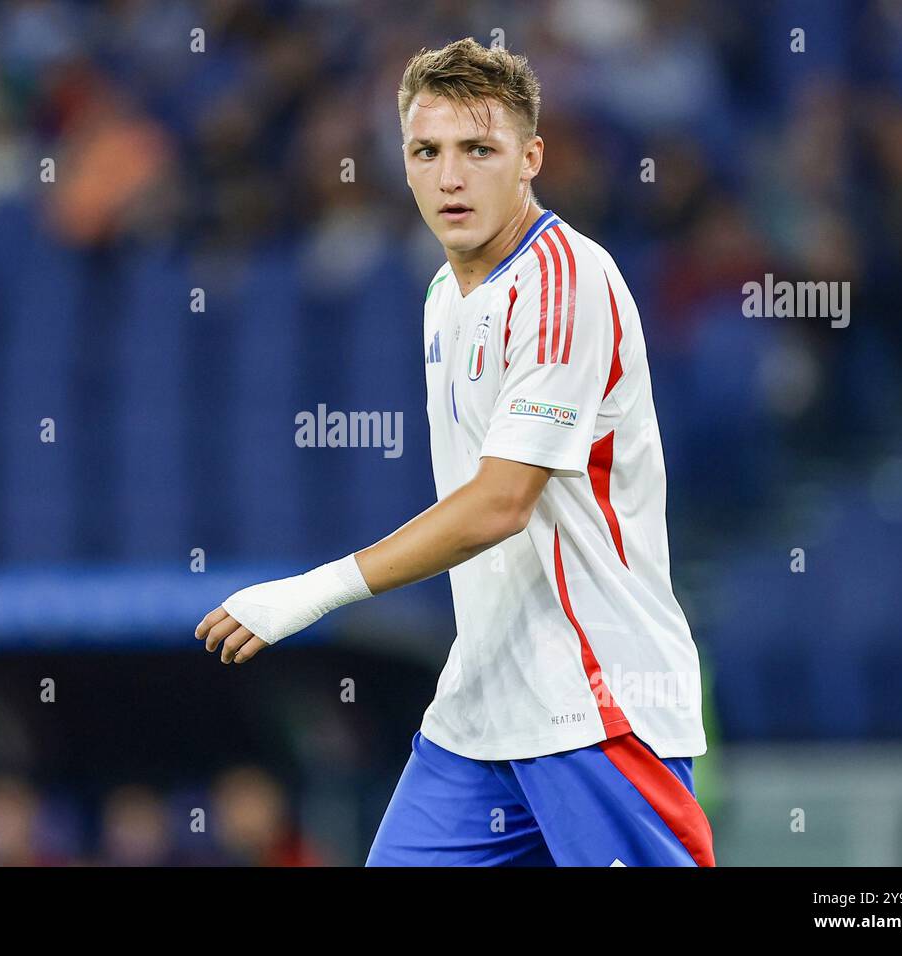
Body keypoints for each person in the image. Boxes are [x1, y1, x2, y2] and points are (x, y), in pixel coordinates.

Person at [195, 37, 714, 867]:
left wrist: (316, 592)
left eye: (479, 150)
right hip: (480, 711)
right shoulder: (444, 294)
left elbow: (503, 502)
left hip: (597, 698)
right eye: (426, 152)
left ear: (530, 158)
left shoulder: (565, 280)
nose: (450, 176)